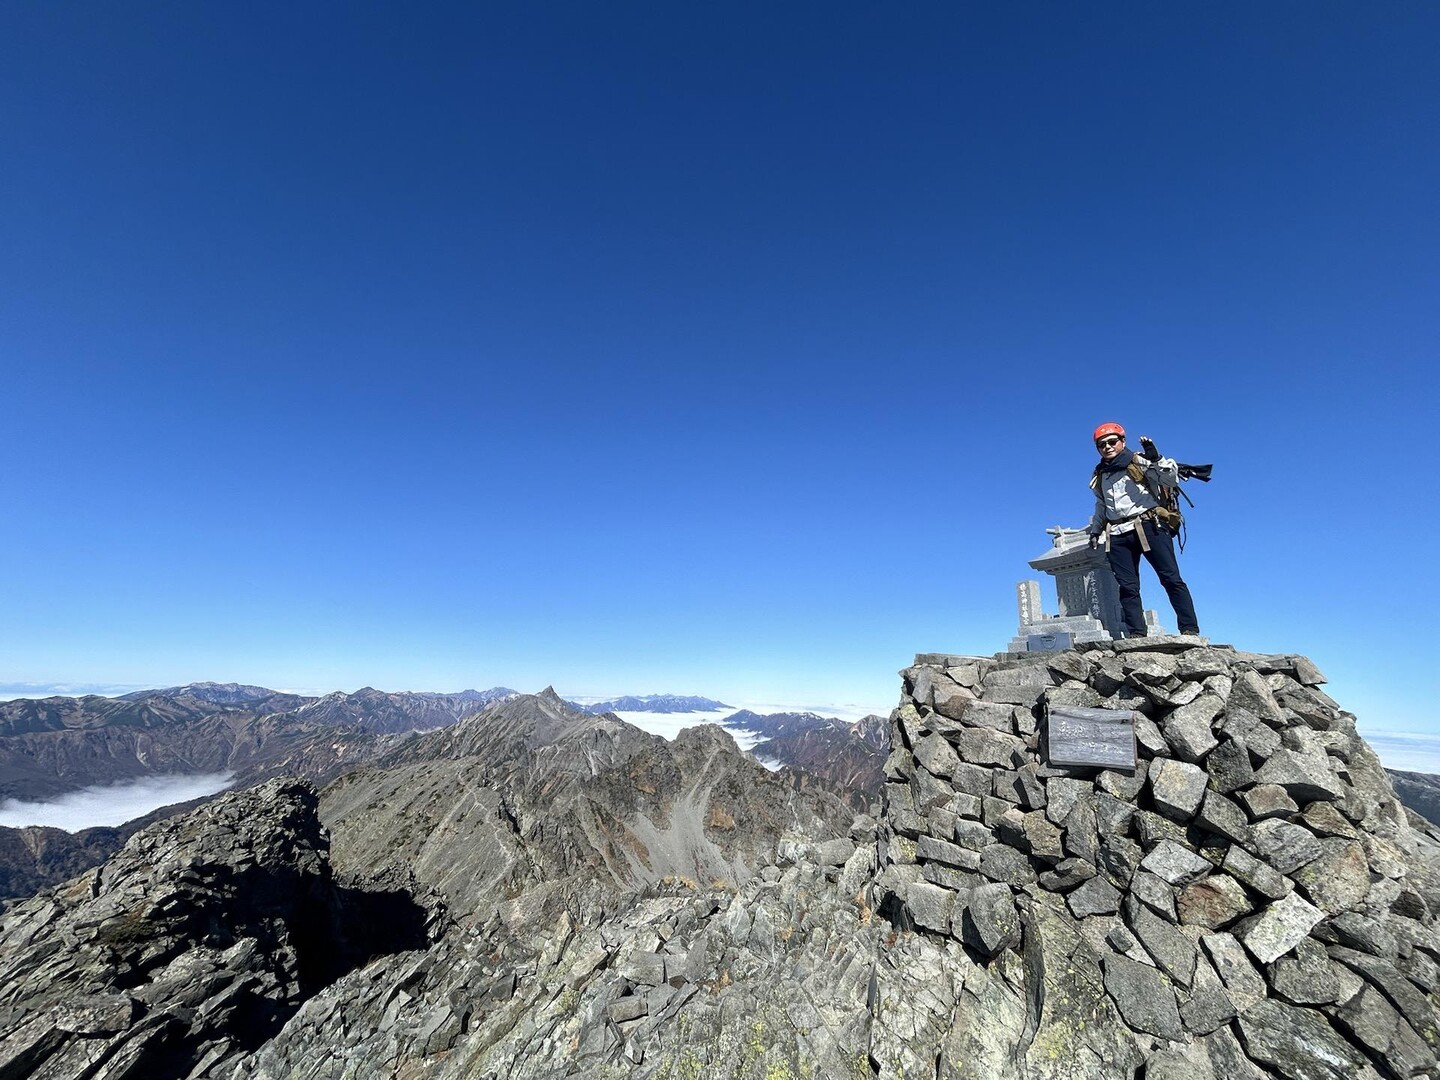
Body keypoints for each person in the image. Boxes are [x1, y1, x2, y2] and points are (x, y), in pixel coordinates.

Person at [1085, 422, 1200, 637]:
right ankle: (1137, 634)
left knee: (1170, 577)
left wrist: (1156, 459)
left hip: (1149, 524)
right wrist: (1095, 530)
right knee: (1127, 586)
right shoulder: (1100, 474)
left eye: (1112, 442)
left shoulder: (1139, 460)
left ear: (1123, 441)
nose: (1108, 447)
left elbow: (1169, 479)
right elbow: (1102, 505)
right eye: (1102, 445)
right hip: (1117, 532)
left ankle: (1189, 629)